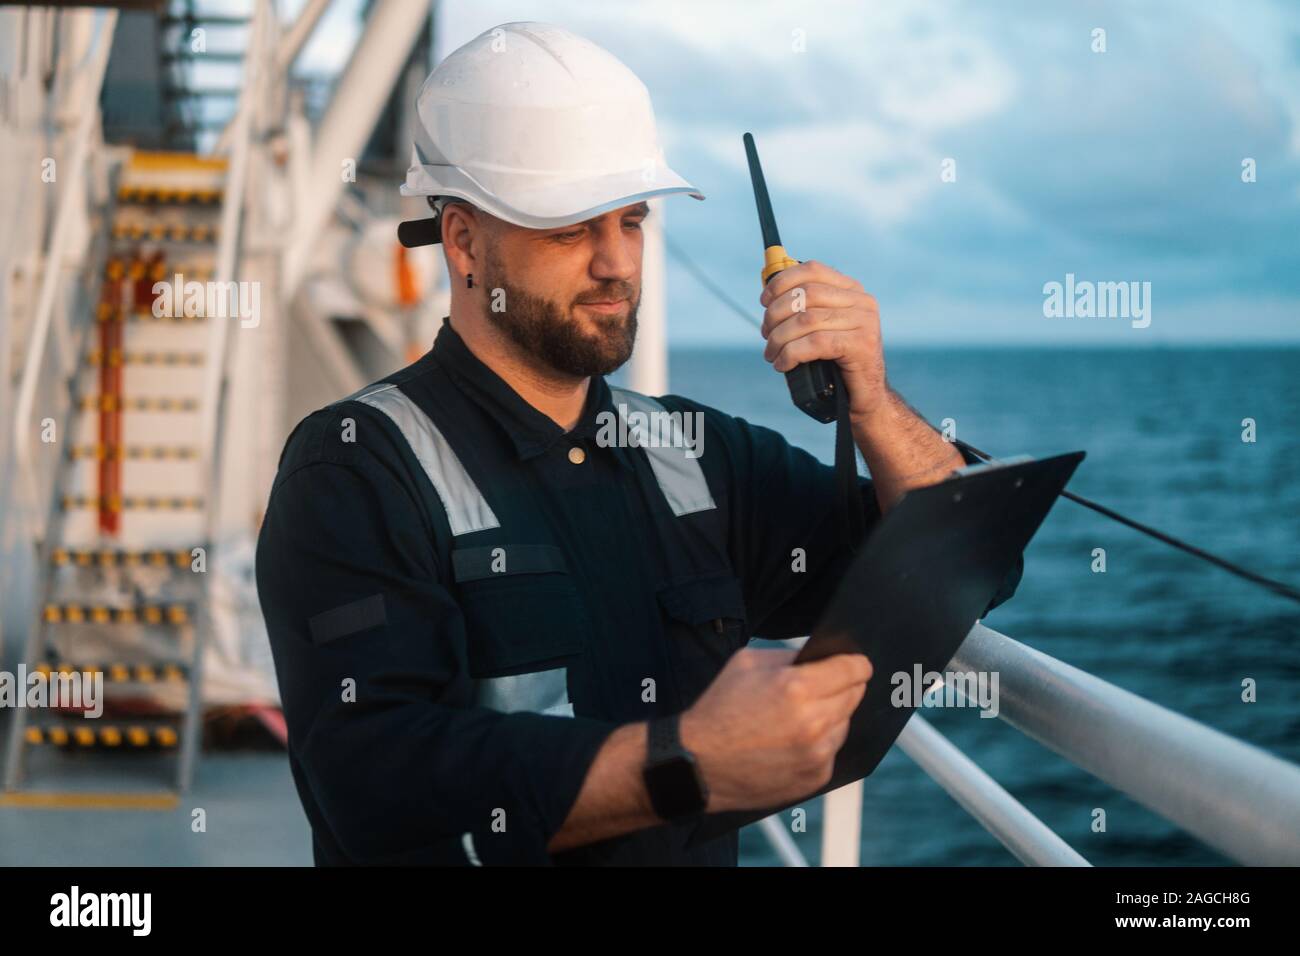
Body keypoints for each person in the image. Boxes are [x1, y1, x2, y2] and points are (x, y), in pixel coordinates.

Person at [255, 21, 1020, 866]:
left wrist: (872, 403)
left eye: (631, 219)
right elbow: (375, 786)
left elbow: (961, 565)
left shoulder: (695, 453)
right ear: (465, 241)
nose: (617, 262)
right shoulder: (354, 468)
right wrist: (684, 761)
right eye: (570, 227)